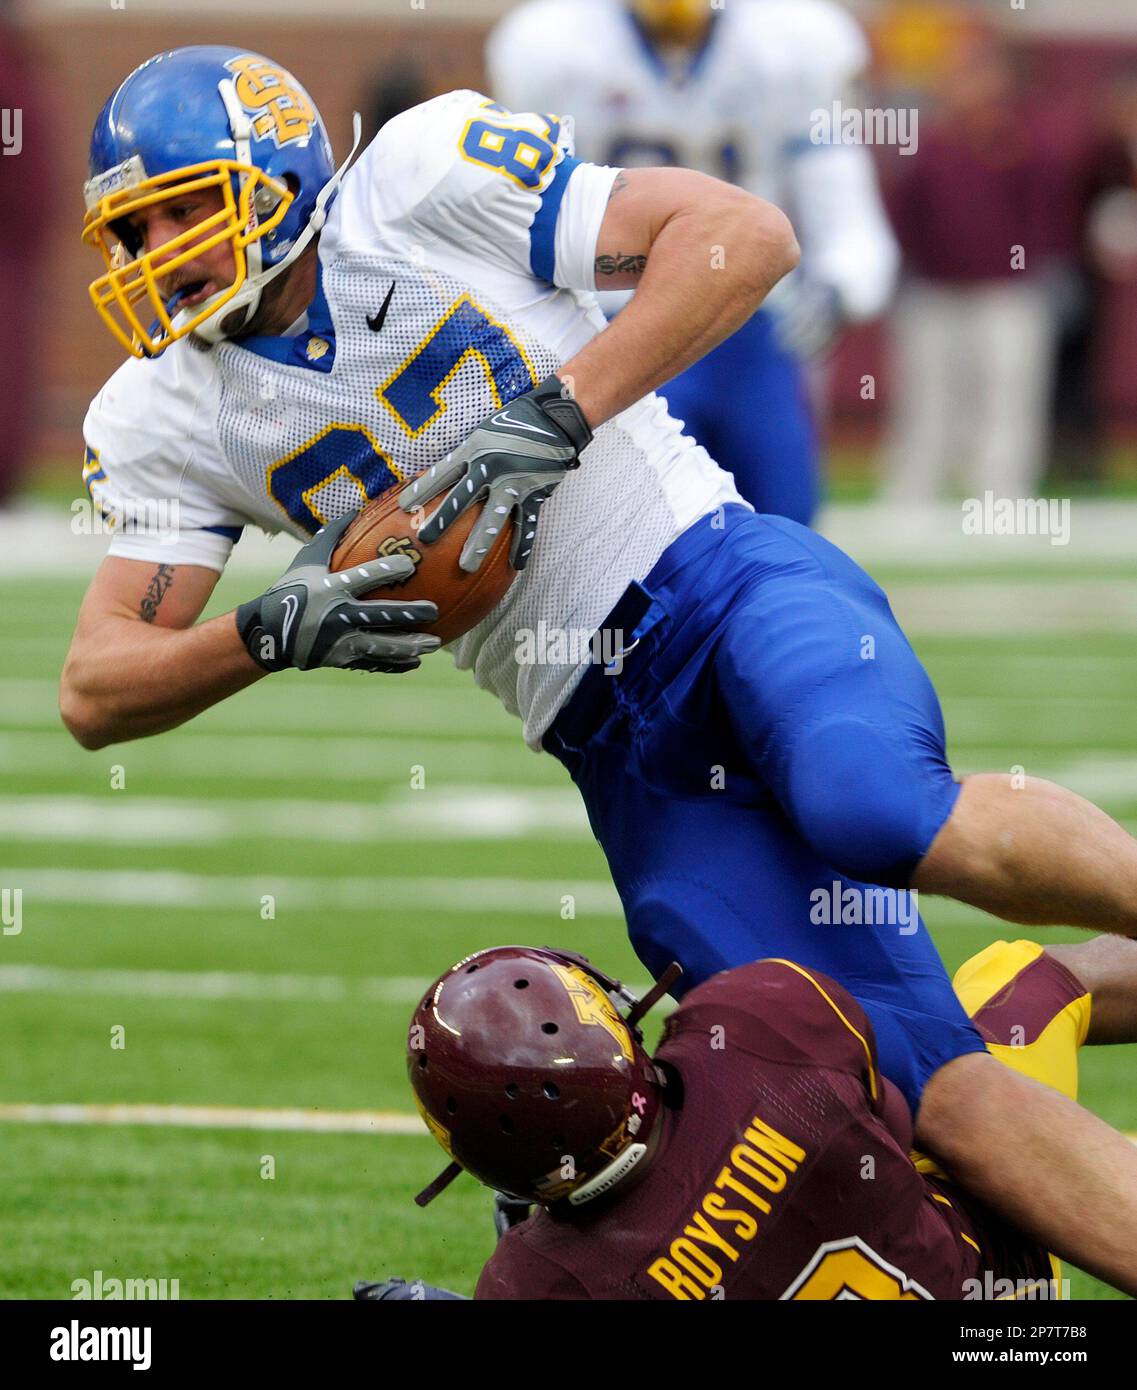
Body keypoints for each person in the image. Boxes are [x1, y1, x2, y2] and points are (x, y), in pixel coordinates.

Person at [61, 46, 1137, 1289]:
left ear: (283, 168)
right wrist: (265, 629)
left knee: (874, 803)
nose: (164, 249)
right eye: (139, 227)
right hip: (617, 748)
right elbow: (95, 687)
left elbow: (742, 233)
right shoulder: (163, 411)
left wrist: (555, 415)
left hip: (720, 580)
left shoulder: (418, 178)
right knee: (921, 1086)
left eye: (188, 206)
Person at [358, 934, 1133, 1300]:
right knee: (1016, 983)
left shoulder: (535, 1279)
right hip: (1008, 1296)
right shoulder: (755, 1020)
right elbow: (908, 1125)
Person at [486, 0, 899, 524]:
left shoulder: (794, 42)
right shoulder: (552, 46)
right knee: (652, 526)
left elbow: (839, 194)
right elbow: (530, 204)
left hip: (750, 317)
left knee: (787, 518)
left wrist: (842, 285)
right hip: (619, 322)